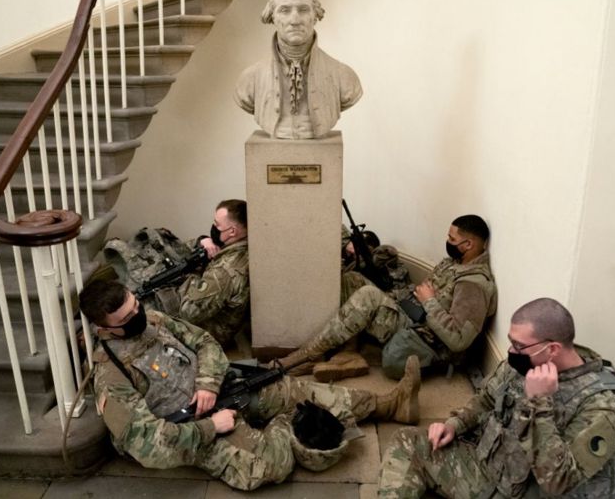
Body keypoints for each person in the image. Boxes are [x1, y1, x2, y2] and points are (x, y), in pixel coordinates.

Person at [79, 280, 422, 492]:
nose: (139, 315)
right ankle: (283, 425)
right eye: (126, 319)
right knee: (271, 468)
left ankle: (390, 405)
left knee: (295, 391)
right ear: (103, 329)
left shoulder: (154, 319)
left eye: (136, 305)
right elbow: (147, 446)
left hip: (224, 391)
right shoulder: (111, 375)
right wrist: (210, 426)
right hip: (191, 430)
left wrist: (209, 384)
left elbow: (206, 342)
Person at [377, 298, 615, 499]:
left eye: (518, 345)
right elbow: (485, 400)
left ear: (552, 349)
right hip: (490, 474)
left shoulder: (604, 406)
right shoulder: (523, 364)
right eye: (511, 342)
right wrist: (453, 426)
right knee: (408, 442)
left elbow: (559, 482)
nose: (510, 351)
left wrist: (540, 404)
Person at [278, 215, 497, 381]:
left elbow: (458, 340)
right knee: (353, 279)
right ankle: (348, 352)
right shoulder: (454, 263)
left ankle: (306, 356)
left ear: (468, 245)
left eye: (452, 238)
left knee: (368, 296)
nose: (447, 241)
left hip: (423, 335)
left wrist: (428, 301)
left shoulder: (473, 284)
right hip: (411, 312)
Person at [104, 199, 250, 348]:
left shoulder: (224, 271)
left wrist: (185, 278)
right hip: (205, 315)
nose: (214, 227)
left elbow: (189, 311)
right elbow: (186, 250)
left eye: (217, 225)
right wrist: (203, 240)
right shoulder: (234, 247)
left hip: (207, 333)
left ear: (232, 231)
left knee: (139, 313)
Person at [234, 0, 362, 139]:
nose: (295, 20)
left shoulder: (344, 76)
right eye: (285, 10)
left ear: (315, 15)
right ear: (272, 16)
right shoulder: (249, 79)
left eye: (303, 10)